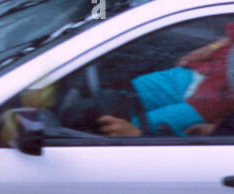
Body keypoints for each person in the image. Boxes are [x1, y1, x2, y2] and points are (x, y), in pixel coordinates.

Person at [97, 29, 234, 137]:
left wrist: (220, 131)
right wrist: (213, 47)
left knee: (123, 131)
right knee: (123, 93)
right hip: (203, 73)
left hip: (212, 105)